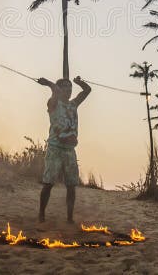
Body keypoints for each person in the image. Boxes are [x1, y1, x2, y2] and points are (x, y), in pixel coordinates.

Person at [36, 75, 91, 223]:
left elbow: (87, 90)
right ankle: (41, 214)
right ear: (59, 89)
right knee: (48, 183)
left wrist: (79, 82)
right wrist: (49, 83)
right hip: (55, 148)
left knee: (71, 185)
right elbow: (54, 90)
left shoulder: (73, 104)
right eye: (64, 87)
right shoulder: (53, 103)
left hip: (69, 150)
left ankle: (70, 218)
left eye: (70, 87)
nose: (69, 89)